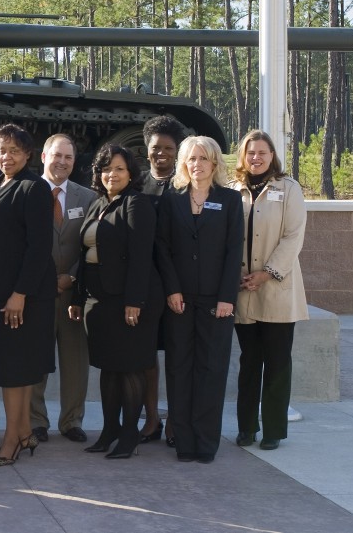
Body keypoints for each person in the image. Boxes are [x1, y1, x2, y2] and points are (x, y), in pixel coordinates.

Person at [0, 123, 55, 467]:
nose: (6, 157)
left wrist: (20, 293)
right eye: (2, 150)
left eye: (14, 151)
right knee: (9, 368)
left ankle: (12, 439)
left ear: (28, 154)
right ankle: (23, 432)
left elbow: (39, 248)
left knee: (16, 370)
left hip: (23, 298)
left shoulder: (34, 188)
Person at [155, 135, 243, 464]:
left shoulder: (229, 200)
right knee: (179, 370)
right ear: (183, 163)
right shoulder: (172, 199)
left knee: (211, 370)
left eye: (203, 158)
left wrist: (227, 297)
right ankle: (184, 440)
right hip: (179, 300)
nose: (197, 164)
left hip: (216, 302)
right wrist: (171, 289)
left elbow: (233, 251)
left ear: (215, 162)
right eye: (191, 158)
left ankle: (206, 442)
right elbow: (162, 247)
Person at [69, 144, 159, 460]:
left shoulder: (136, 204)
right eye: (106, 169)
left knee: (129, 368)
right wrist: (77, 297)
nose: (112, 175)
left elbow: (140, 257)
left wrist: (134, 301)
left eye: (119, 169)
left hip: (128, 301)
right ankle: (110, 430)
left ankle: (130, 435)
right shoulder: (98, 204)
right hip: (99, 300)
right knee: (108, 368)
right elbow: (84, 255)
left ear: (131, 173)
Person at [230, 130, 308, 451]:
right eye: (251, 153)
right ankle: (246, 427)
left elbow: (293, 237)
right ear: (243, 156)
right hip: (243, 289)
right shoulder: (233, 191)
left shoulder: (288, 189)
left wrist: (267, 273)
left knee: (277, 363)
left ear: (272, 155)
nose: (256, 158)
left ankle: (274, 429)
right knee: (249, 362)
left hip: (277, 288)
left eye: (262, 152)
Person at [29, 134, 96, 445]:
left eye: (68, 157)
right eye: (57, 155)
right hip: (36, 292)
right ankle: (36, 421)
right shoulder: (28, 192)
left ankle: (72, 421)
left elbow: (91, 245)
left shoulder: (88, 197)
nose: (62, 162)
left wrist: (73, 276)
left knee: (75, 361)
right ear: (44, 157)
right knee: (36, 358)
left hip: (73, 294)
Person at [139, 114, 186, 447]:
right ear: (147, 149)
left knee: (176, 356)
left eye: (168, 148)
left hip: (177, 285)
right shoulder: (136, 183)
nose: (161, 153)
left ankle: (176, 422)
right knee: (146, 357)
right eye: (156, 147)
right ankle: (151, 418)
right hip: (143, 284)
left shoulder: (185, 187)